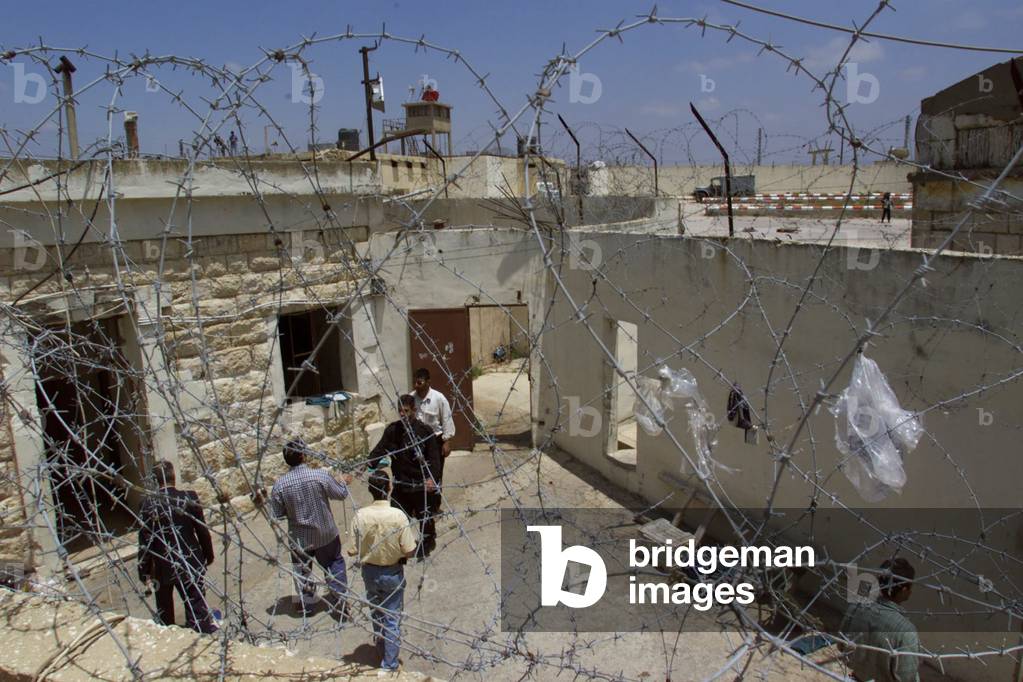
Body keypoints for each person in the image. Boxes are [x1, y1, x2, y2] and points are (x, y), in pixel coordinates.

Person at [269, 439, 353, 616]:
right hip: (325, 532)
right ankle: (340, 600)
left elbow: (276, 515)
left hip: (300, 538)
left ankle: (306, 605)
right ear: (302, 455)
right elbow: (341, 494)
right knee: (333, 563)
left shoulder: (279, 486)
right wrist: (343, 481)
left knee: (302, 570)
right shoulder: (320, 476)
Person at [137, 461, 216, 633]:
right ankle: (200, 634)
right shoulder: (189, 498)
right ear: (174, 476)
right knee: (195, 603)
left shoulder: (147, 505)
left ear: (155, 480)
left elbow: (145, 542)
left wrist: (144, 571)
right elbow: (202, 531)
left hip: (162, 564)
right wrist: (207, 556)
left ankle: (169, 636)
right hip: (189, 560)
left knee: (164, 607)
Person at [351, 470, 417, 672]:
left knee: (376, 612)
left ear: (370, 490)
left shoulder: (360, 515)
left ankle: (381, 647)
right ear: (389, 488)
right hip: (392, 573)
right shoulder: (397, 516)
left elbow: (353, 548)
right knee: (392, 617)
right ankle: (389, 663)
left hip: (369, 573)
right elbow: (410, 550)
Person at [370, 394, 442, 558]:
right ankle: (401, 549)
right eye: (400, 411)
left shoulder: (425, 431)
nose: (403, 415)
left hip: (421, 485)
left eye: (406, 411)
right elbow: (379, 451)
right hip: (401, 486)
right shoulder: (393, 431)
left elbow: (435, 460)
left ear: (414, 411)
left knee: (426, 520)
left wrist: (432, 479)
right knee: (397, 520)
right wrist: (367, 465)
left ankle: (426, 544)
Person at [840, 558, 920, 682]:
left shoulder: (857, 606)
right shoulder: (906, 631)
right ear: (904, 590)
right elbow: (906, 677)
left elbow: (841, 644)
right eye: (910, 587)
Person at [409, 367, 455, 483]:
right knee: (418, 473)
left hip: (435, 441)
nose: (416, 385)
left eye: (419, 382)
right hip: (417, 442)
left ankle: (435, 497)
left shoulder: (439, 398)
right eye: (414, 382)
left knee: (435, 473)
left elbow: (446, 420)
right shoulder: (411, 398)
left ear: (428, 382)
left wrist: (447, 442)